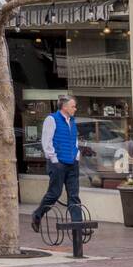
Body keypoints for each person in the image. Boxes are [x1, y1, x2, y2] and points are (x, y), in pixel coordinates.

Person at [32, 94, 82, 232]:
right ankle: (37, 214)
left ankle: (78, 227)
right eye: (73, 106)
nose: (75, 109)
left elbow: (74, 139)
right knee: (54, 193)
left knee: (74, 195)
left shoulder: (72, 120)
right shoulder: (51, 119)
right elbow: (46, 141)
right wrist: (54, 160)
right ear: (65, 107)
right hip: (58, 163)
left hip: (72, 162)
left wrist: (76, 155)